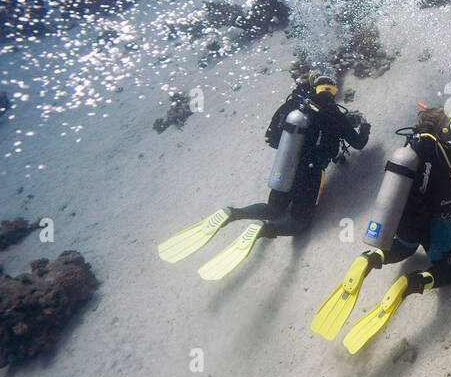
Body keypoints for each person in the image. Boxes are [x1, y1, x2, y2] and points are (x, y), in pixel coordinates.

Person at [311, 106, 451, 354]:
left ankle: (369, 258)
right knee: (449, 272)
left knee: (403, 249)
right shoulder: (450, 154)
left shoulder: (409, 148)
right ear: (443, 129)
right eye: (450, 126)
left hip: (404, 220)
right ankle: (408, 284)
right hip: (436, 225)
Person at [158, 73, 371, 279]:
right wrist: (365, 127)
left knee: (274, 208)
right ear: (332, 91)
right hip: (311, 173)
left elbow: (272, 138)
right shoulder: (334, 114)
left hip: (285, 166)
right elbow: (359, 143)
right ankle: (263, 228)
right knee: (299, 223)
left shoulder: (295, 107)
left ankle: (233, 213)